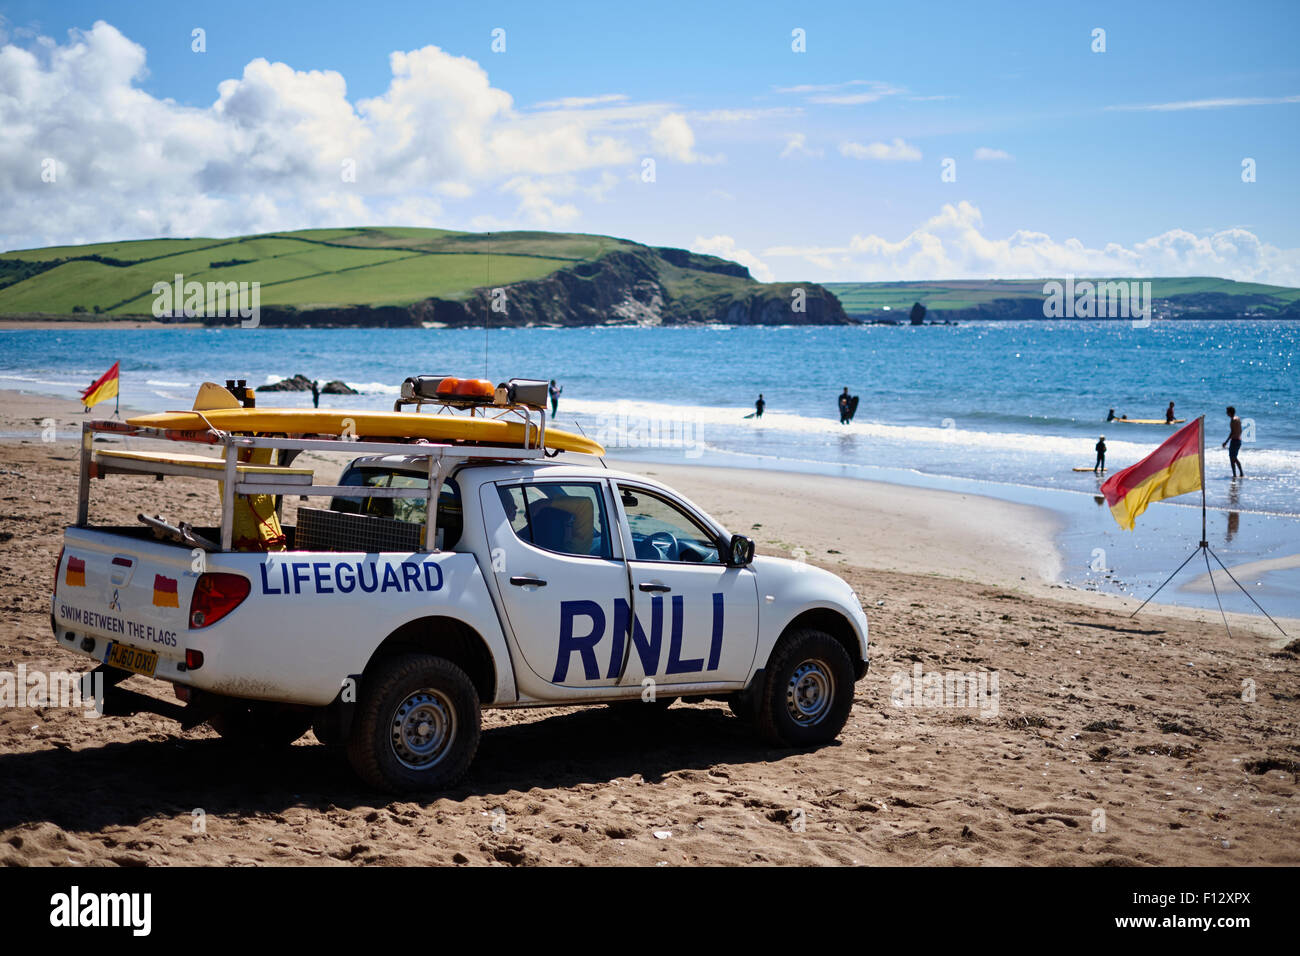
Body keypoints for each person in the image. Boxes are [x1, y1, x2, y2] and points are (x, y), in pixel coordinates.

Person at [1222, 406, 1244, 477]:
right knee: (1234, 457)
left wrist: (1226, 442)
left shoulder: (1233, 420)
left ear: (1230, 412)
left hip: (1234, 441)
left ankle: (1235, 474)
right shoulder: (1238, 419)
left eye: (1227, 412)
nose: (1226, 413)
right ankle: (1240, 473)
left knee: (1232, 459)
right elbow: (1240, 430)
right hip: (1239, 440)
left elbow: (1232, 432)